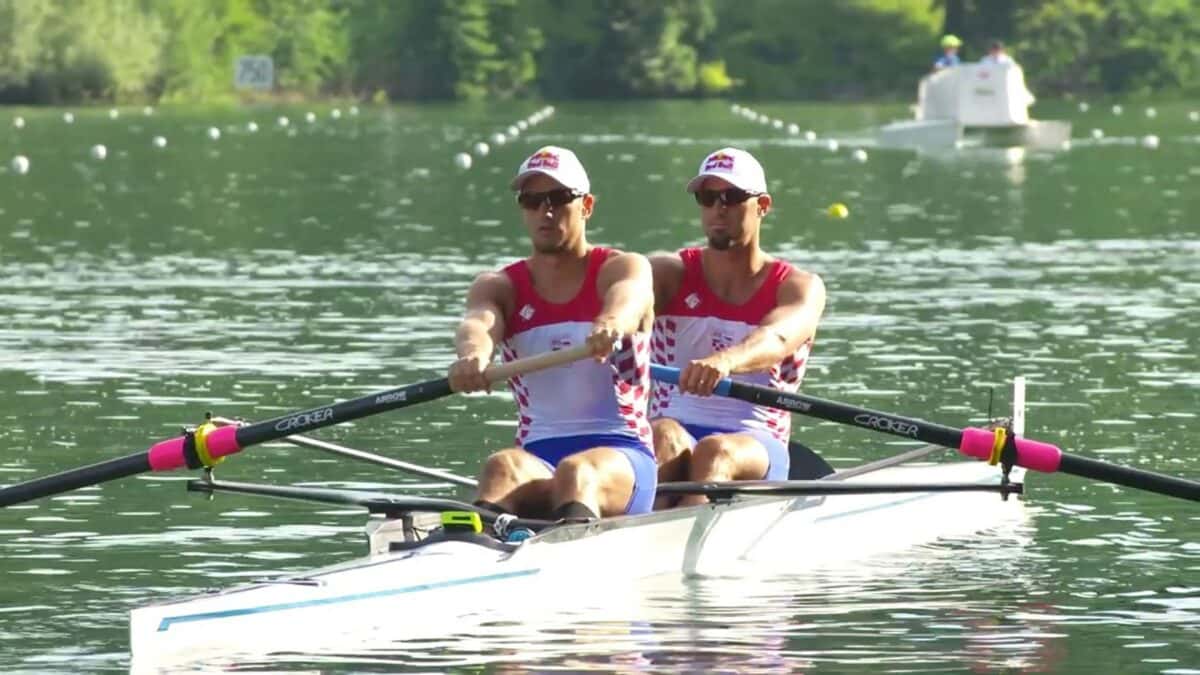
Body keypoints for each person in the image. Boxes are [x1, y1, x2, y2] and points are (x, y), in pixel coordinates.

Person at [447, 146, 657, 522]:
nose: (546, 211)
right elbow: (479, 324)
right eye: (532, 200)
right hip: (538, 457)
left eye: (559, 199)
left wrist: (610, 323)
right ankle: (468, 548)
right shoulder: (499, 286)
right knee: (500, 467)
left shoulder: (621, 267)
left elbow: (630, 298)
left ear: (587, 205)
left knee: (577, 473)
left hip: (623, 455)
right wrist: (473, 358)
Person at [649, 148, 826, 508]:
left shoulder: (797, 287)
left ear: (763, 205)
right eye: (707, 197)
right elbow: (614, 300)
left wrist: (725, 362)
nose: (719, 208)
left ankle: (677, 541)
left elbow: (776, 338)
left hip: (756, 442)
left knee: (716, 452)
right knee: (660, 435)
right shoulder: (668, 273)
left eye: (732, 197)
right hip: (671, 431)